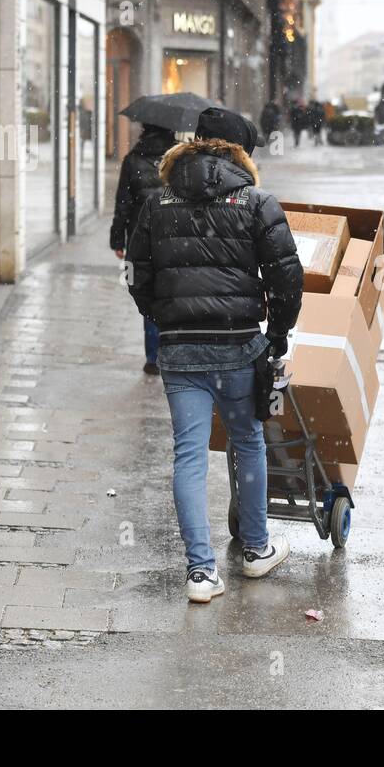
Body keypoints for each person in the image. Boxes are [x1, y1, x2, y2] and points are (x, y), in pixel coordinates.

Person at [127, 106, 304, 602]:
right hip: (239, 342)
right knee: (247, 440)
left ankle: (200, 573)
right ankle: (255, 550)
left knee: (189, 453)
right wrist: (278, 333)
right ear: (239, 153)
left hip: (181, 350)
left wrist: (164, 317)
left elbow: (139, 274)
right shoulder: (256, 201)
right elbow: (287, 276)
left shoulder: (158, 201)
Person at [110, 124, 176, 375]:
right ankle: (171, 351)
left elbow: (123, 204)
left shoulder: (132, 160)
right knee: (172, 295)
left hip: (141, 240)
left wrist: (118, 240)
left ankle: (153, 358)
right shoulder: (178, 159)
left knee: (147, 296)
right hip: (173, 238)